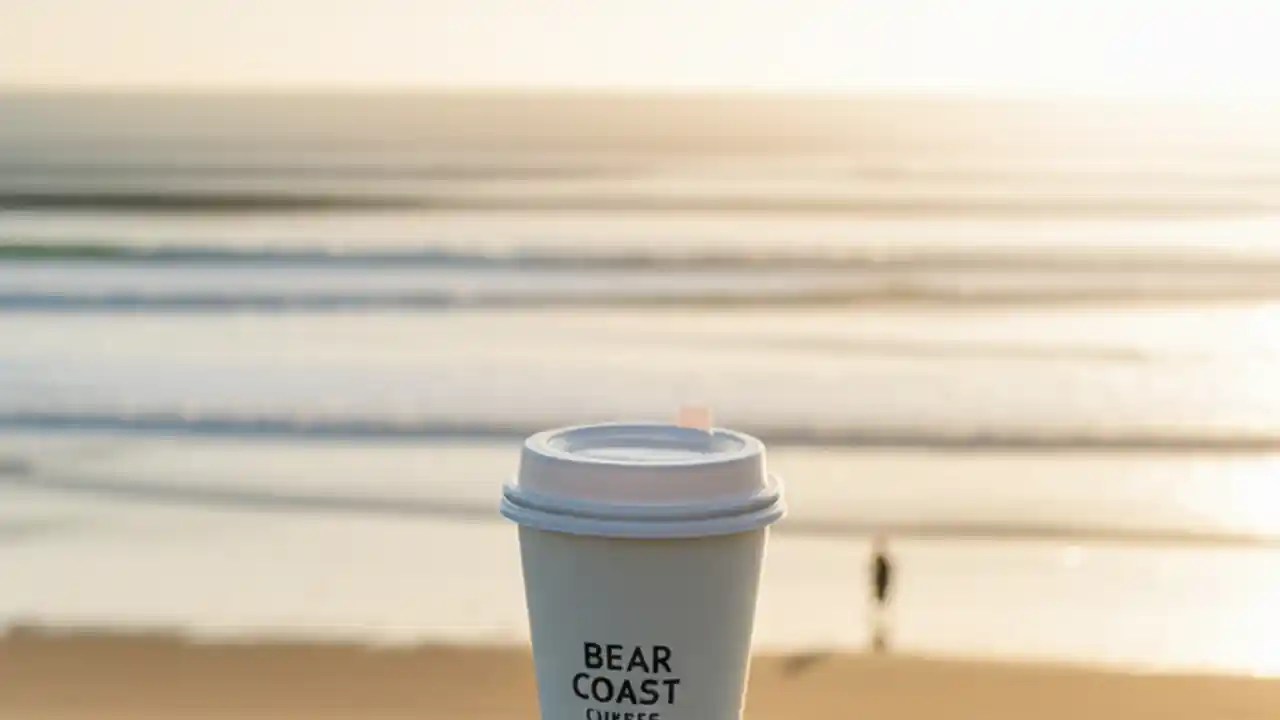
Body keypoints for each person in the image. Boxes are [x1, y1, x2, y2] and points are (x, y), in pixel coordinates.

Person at [870, 533, 893, 654]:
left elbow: (880, 577)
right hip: (880, 590)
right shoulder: (881, 561)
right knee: (880, 612)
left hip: (881, 590)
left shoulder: (881, 561)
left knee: (880, 612)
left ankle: (880, 633)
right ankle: (879, 633)